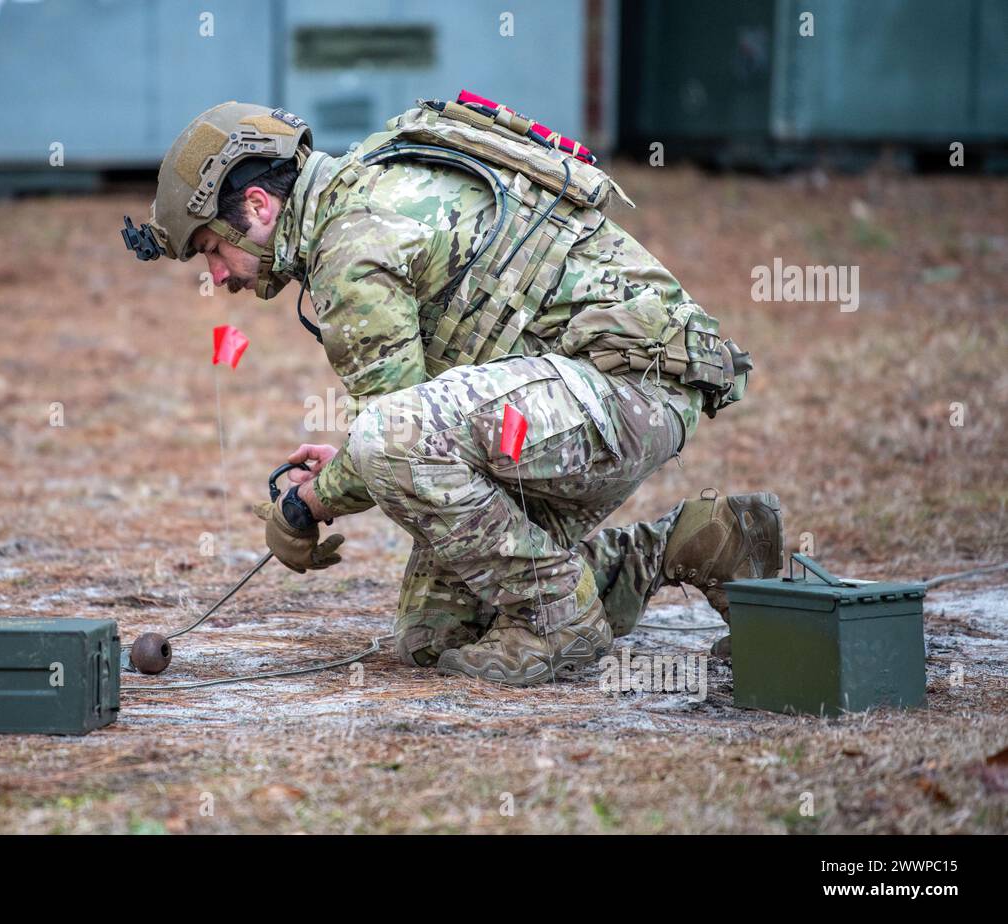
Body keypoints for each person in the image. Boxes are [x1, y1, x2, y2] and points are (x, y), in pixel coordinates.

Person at [123, 101, 782, 685]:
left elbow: (396, 431)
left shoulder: (351, 244)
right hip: (590, 393)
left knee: (389, 442)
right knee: (435, 637)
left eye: (211, 249)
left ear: (258, 208)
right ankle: (694, 544)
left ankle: (559, 624)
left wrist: (306, 506)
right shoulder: (362, 191)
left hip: (632, 388)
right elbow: (416, 423)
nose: (218, 275)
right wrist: (351, 469)